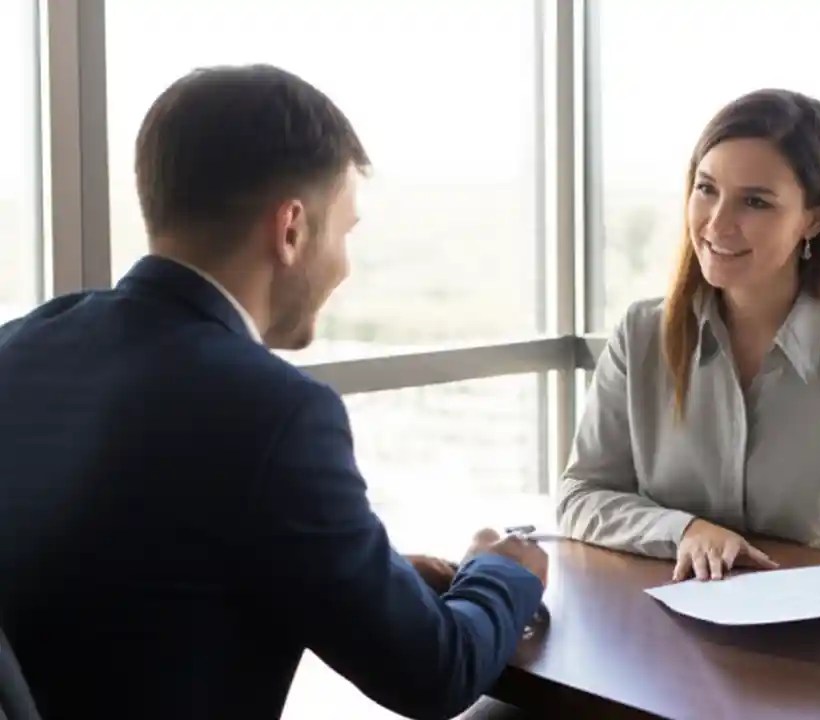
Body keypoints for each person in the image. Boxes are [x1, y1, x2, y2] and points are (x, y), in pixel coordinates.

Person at [0, 64, 546, 720]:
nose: (344, 265)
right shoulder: (273, 411)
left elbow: (124, 563)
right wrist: (501, 570)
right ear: (291, 229)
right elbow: (435, 674)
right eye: (344, 232)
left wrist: (368, 573)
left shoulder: (22, 345)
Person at [557, 89, 820, 587]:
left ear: (814, 218)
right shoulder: (641, 336)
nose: (716, 222)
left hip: (815, 637)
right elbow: (581, 496)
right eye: (707, 188)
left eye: (755, 201)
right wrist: (684, 530)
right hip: (661, 627)